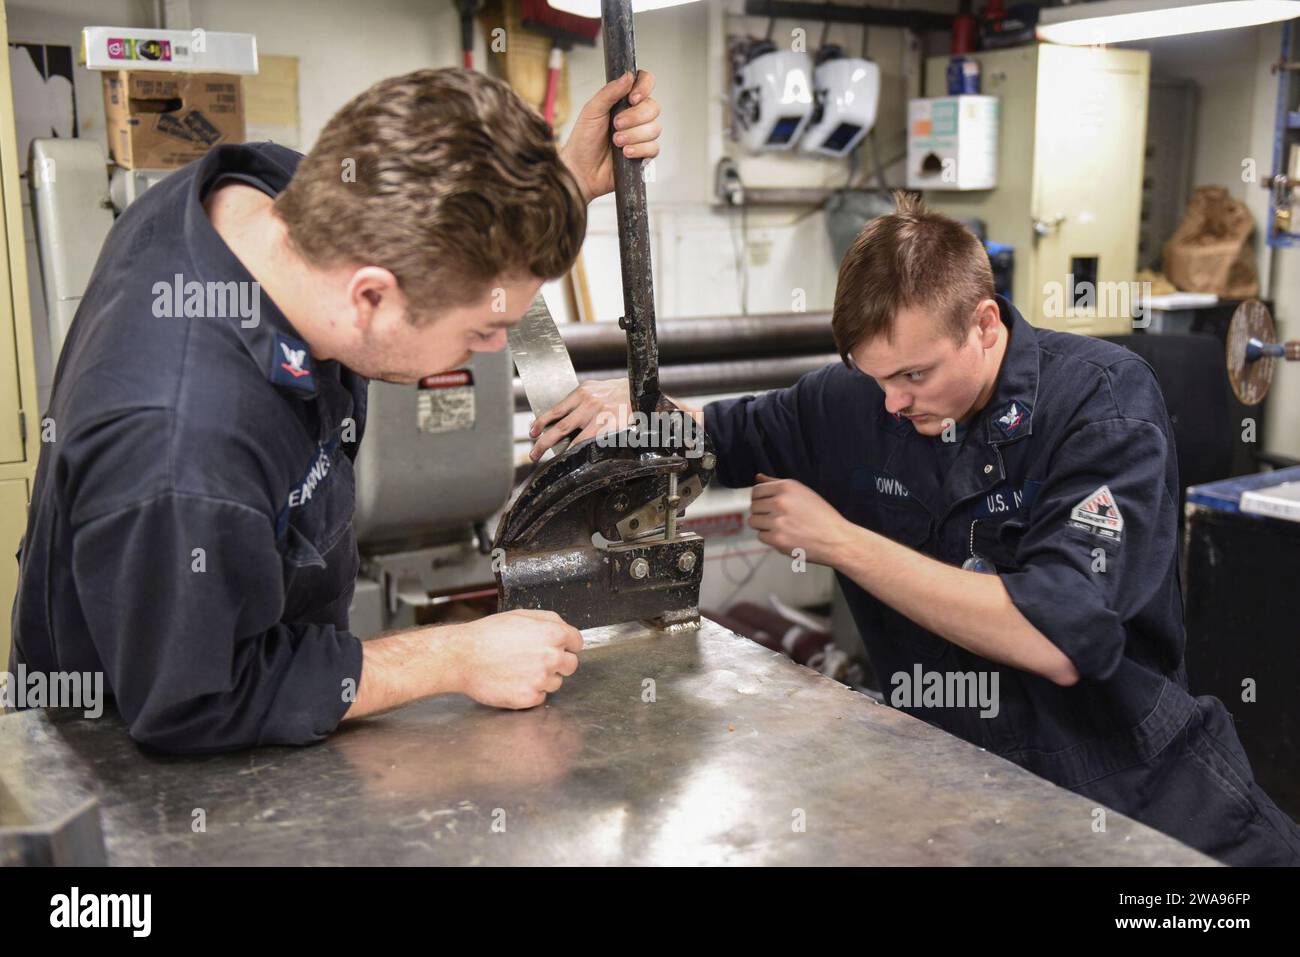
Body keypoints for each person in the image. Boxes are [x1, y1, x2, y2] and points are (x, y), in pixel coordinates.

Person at [529, 193, 1300, 866]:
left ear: (985, 324)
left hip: (1128, 777)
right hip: (950, 775)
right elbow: (719, 433)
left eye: (913, 375)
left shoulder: (1102, 403)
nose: (893, 403)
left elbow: (1059, 637)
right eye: (876, 377)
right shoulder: (859, 400)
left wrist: (836, 540)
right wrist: (633, 420)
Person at [10, 67, 666, 753]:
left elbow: (431, 206)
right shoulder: (184, 445)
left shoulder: (271, 199)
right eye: (478, 332)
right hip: (143, 776)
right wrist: (453, 657)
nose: (495, 344)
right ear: (370, 297)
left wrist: (557, 185)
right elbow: (198, 699)